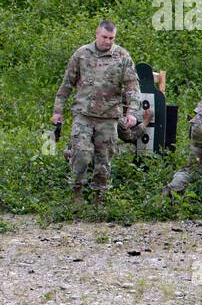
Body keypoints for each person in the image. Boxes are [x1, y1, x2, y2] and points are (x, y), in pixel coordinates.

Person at [51, 20, 142, 207]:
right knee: (81, 154)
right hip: (83, 114)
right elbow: (66, 84)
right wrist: (57, 111)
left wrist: (132, 112)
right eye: (104, 37)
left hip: (109, 117)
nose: (108, 41)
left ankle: (99, 199)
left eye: (111, 38)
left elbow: (132, 86)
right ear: (96, 34)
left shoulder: (122, 56)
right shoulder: (82, 54)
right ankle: (77, 194)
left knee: (104, 160)